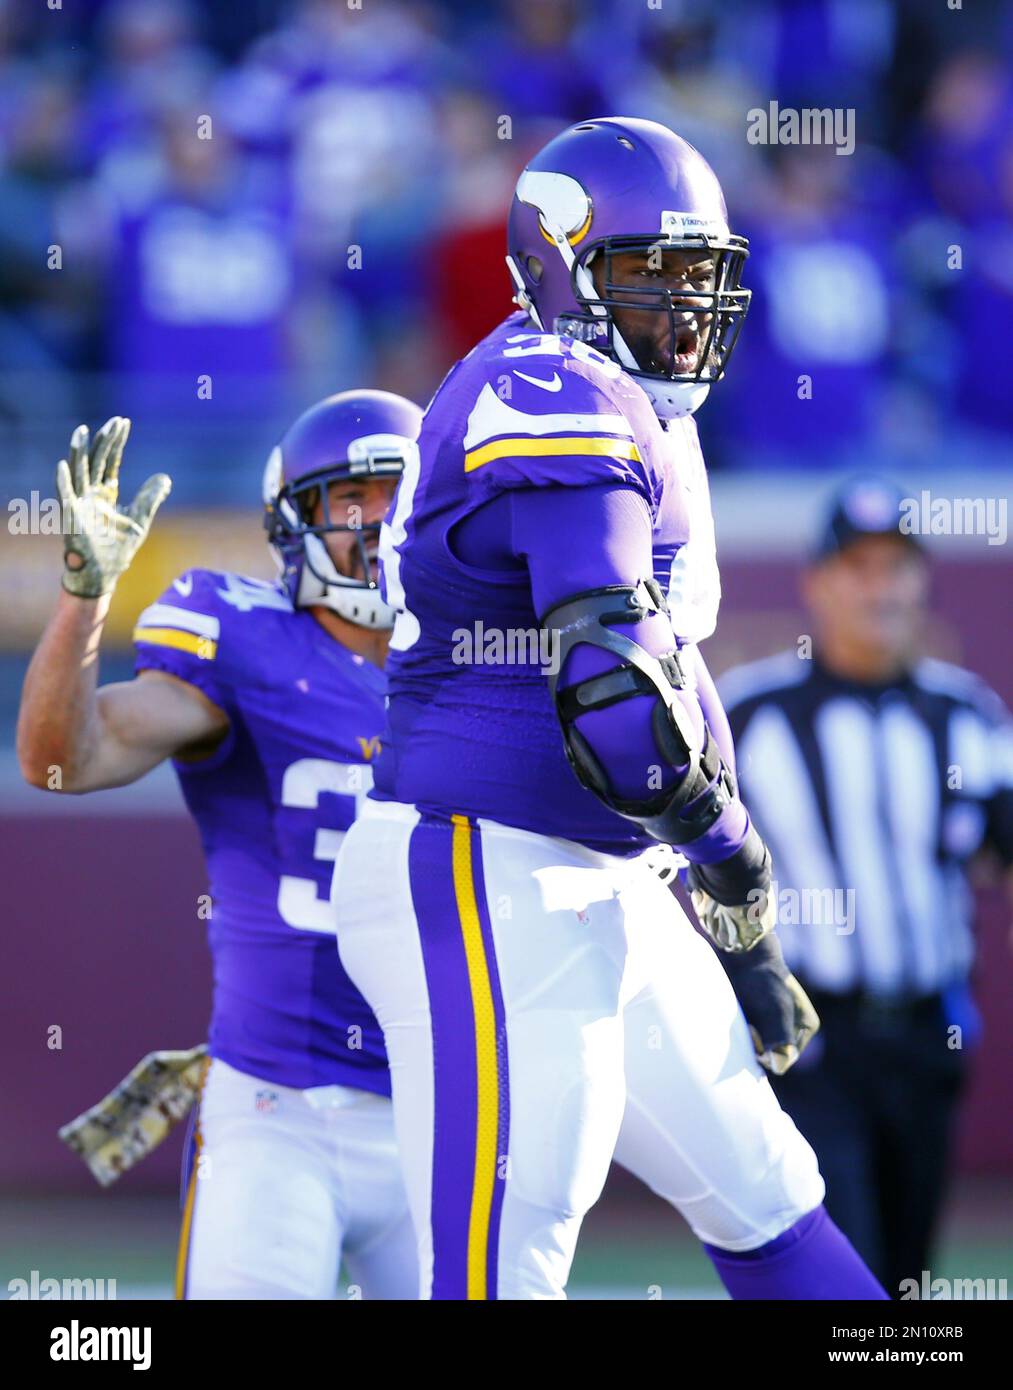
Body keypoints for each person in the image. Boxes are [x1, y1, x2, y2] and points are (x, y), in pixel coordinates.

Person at [331, 115, 887, 1301]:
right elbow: (615, 697)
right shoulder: (547, 382)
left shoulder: (650, 415)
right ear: (559, 264)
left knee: (769, 1193)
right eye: (650, 273)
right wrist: (731, 853)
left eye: (699, 276)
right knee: (505, 1254)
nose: (683, 306)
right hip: (489, 863)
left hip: (603, 872)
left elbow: (669, 674)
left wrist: (735, 915)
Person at [17, 391, 424, 1300]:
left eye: (400, 494)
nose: (380, 522)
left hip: (448, 1110)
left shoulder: (480, 671)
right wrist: (86, 600)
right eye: (350, 498)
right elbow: (61, 762)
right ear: (295, 520)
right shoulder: (244, 640)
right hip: (281, 1105)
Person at [720, 475, 1013, 1297]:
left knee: (908, 1273)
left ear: (921, 580)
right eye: (859, 567)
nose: (879, 588)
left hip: (928, 1032)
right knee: (845, 1270)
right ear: (817, 582)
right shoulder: (752, 714)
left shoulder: (965, 714)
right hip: (814, 1035)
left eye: (896, 567)